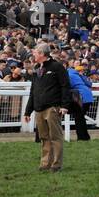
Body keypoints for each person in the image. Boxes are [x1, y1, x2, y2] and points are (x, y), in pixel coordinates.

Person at [23, 43, 72, 172]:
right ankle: (45, 163)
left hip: (52, 107)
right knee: (44, 137)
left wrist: (65, 106)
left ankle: (56, 164)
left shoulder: (57, 67)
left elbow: (65, 86)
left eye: (35, 52)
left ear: (42, 54)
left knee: (55, 137)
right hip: (39, 108)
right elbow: (33, 90)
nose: (33, 55)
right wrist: (28, 111)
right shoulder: (37, 68)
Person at [66, 62, 94, 141]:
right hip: (88, 96)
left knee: (78, 118)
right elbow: (89, 84)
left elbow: (67, 86)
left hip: (81, 97)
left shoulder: (68, 75)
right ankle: (85, 137)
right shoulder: (77, 75)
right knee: (80, 117)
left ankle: (82, 137)